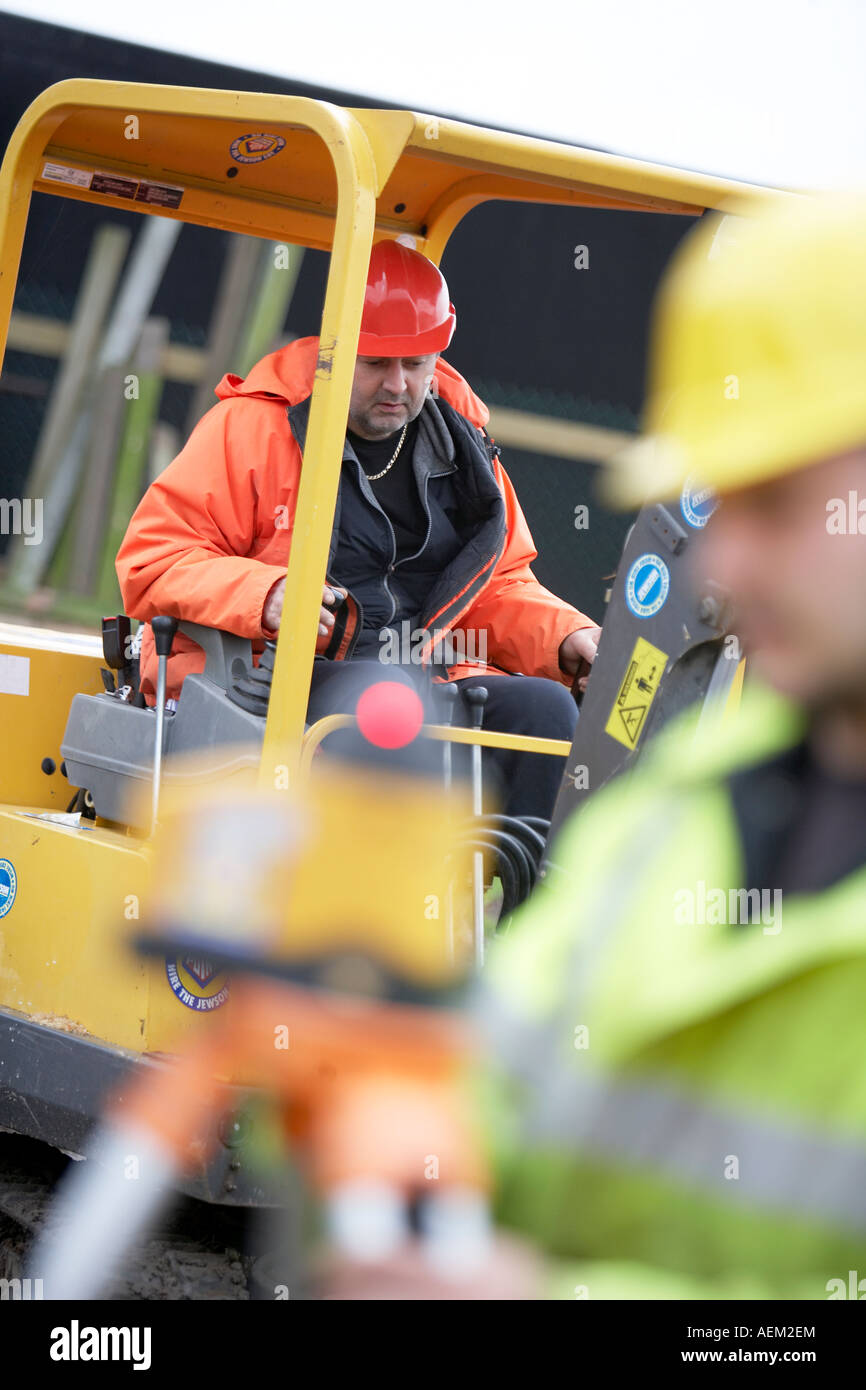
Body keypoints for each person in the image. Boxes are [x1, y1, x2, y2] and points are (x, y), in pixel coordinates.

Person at [473, 192, 866, 1299]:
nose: (715, 572)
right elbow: (492, 1091)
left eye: (776, 505)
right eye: (713, 507)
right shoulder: (670, 812)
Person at [116, 240, 600, 823]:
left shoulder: (466, 445)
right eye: (376, 364)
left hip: (423, 681)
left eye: (417, 363)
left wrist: (567, 640)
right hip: (274, 685)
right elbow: (153, 559)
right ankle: (372, 902)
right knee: (390, 703)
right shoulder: (251, 429)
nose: (398, 385)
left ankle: (518, 904)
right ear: (335, 349)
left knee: (546, 712)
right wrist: (266, 595)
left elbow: (496, 587)